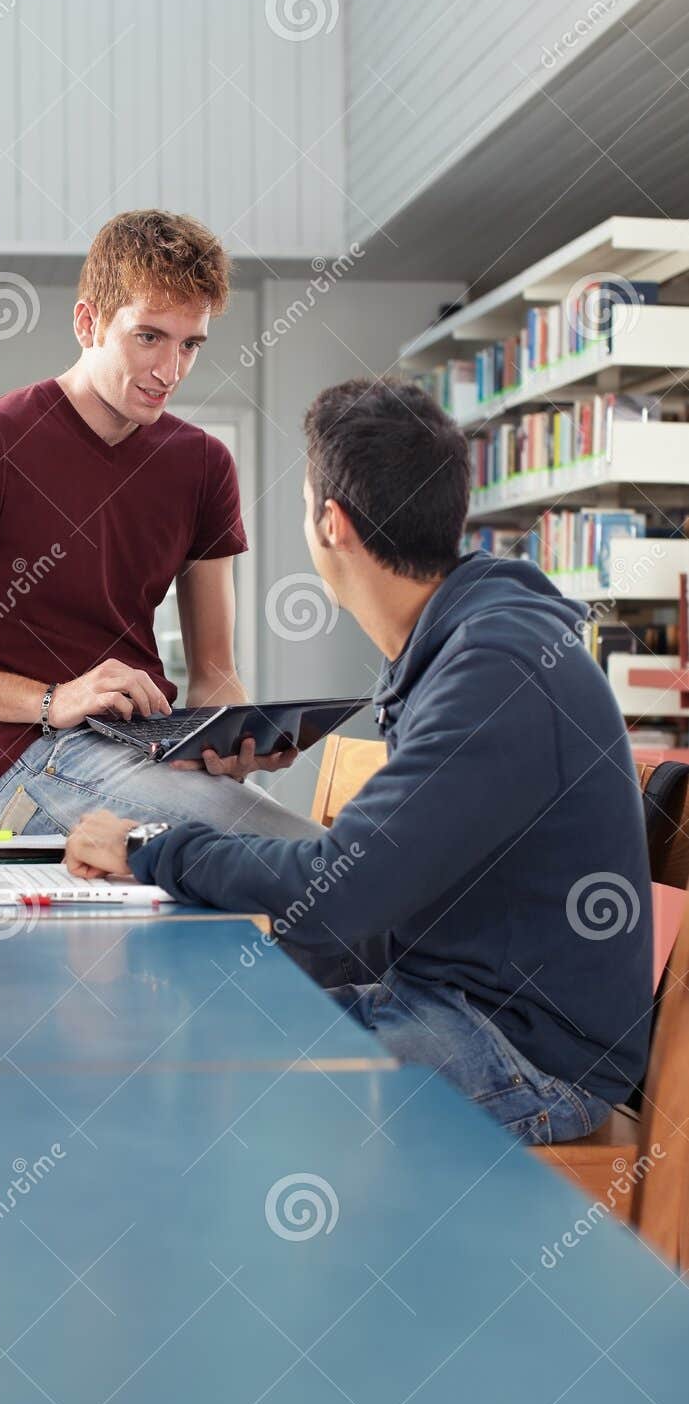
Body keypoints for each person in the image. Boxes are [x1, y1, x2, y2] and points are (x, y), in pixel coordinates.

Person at [64, 379, 653, 1143]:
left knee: (211, 1102)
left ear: (331, 524)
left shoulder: (496, 665)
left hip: (525, 1054)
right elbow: (368, 888)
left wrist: (154, 850)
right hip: (458, 1003)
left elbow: (341, 892)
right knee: (182, 1031)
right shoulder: (459, 647)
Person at [0, 208, 313, 840]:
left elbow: (215, 672)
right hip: (31, 763)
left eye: (190, 344)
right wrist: (54, 699)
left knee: (289, 859)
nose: (171, 371)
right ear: (88, 321)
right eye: (148, 337)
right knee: (296, 852)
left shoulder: (203, 465)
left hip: (154, 749)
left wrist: (233, 740)